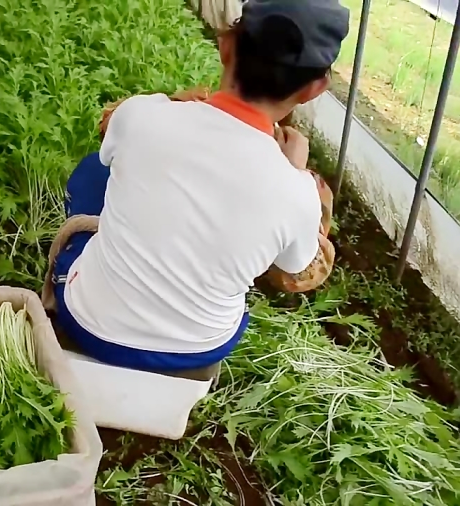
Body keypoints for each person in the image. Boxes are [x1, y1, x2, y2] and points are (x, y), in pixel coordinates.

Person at [50, 0, 349, 378]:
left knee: (96, 172)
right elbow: (295, 269)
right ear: (314, 89)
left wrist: (176, 104)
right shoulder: (298, 192)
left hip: (88, 326)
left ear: (225, 46)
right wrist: (296, 170)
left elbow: (110, 133)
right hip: (196, 350)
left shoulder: (142, 115)